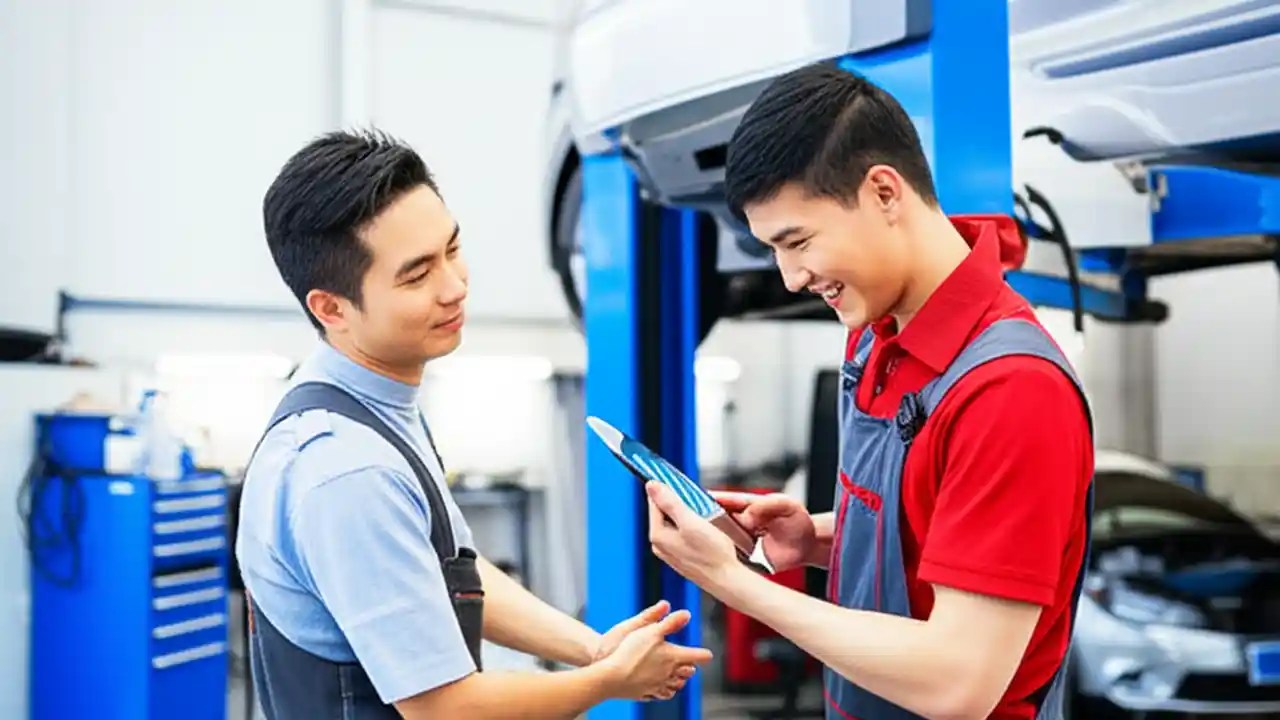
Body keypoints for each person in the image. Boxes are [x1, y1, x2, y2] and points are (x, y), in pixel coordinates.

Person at [643, 63, 1094, 720]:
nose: (790, 277)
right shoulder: (874, 334)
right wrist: (820, 539)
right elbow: (932, 537)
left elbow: (958, 682)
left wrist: (734, 584)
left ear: (884, 192)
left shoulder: (1012, 390)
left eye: (796, 242)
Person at [235, 129, 711, 720]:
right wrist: (609, 682)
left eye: (452, 250)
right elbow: (443, 709)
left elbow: (448, 571)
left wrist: (590, 648)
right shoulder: (345, 469)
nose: (455, 287)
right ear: (331, 308)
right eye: (416, 276)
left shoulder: (373, 408)